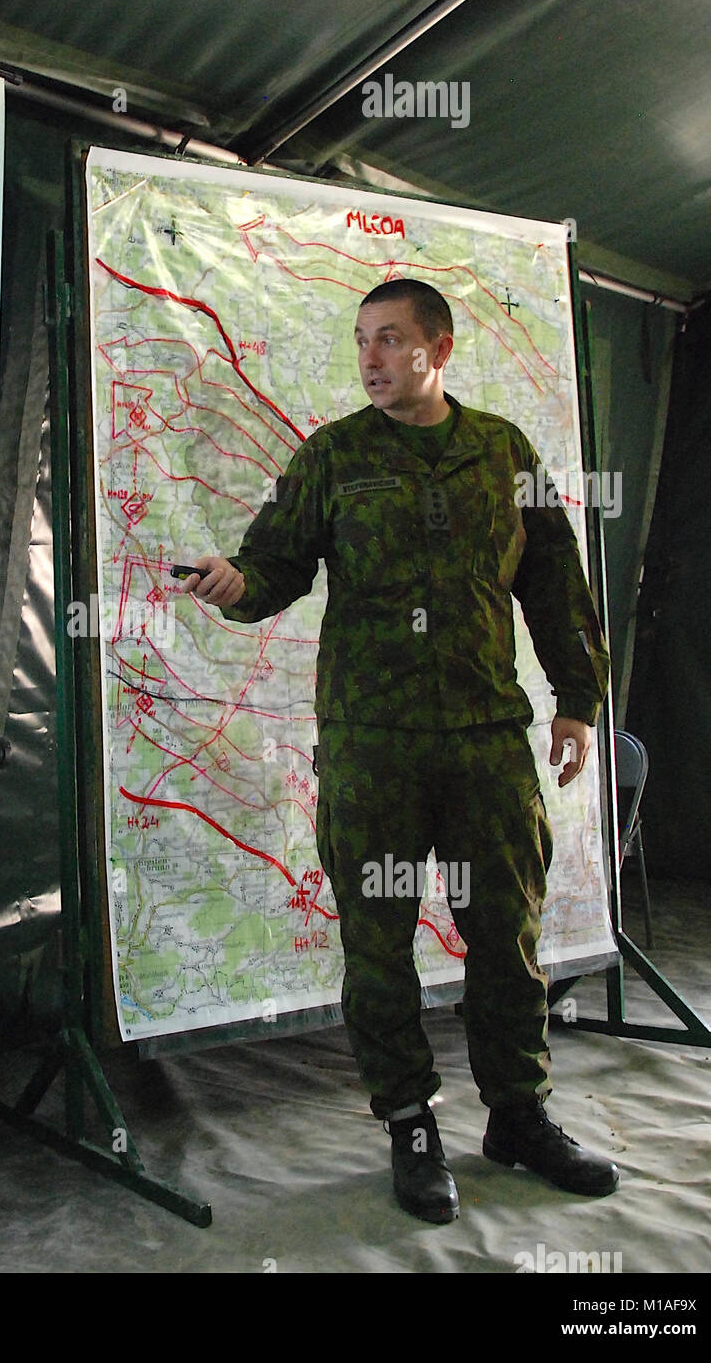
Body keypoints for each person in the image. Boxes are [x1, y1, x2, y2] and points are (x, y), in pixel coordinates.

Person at [184, 278, 618, 1224]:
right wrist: (234, 582)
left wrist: (577, 701)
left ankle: (517, 1116)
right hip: (371, 749)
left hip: (484, 744)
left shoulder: (503, 450)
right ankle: (410, 1124)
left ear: (440, 347)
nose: (371, 358)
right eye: (360, 342)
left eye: (389, 340)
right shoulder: (335, 455)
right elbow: (275, 563)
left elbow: (553, 580)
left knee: (506, 939)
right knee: (377, 947)